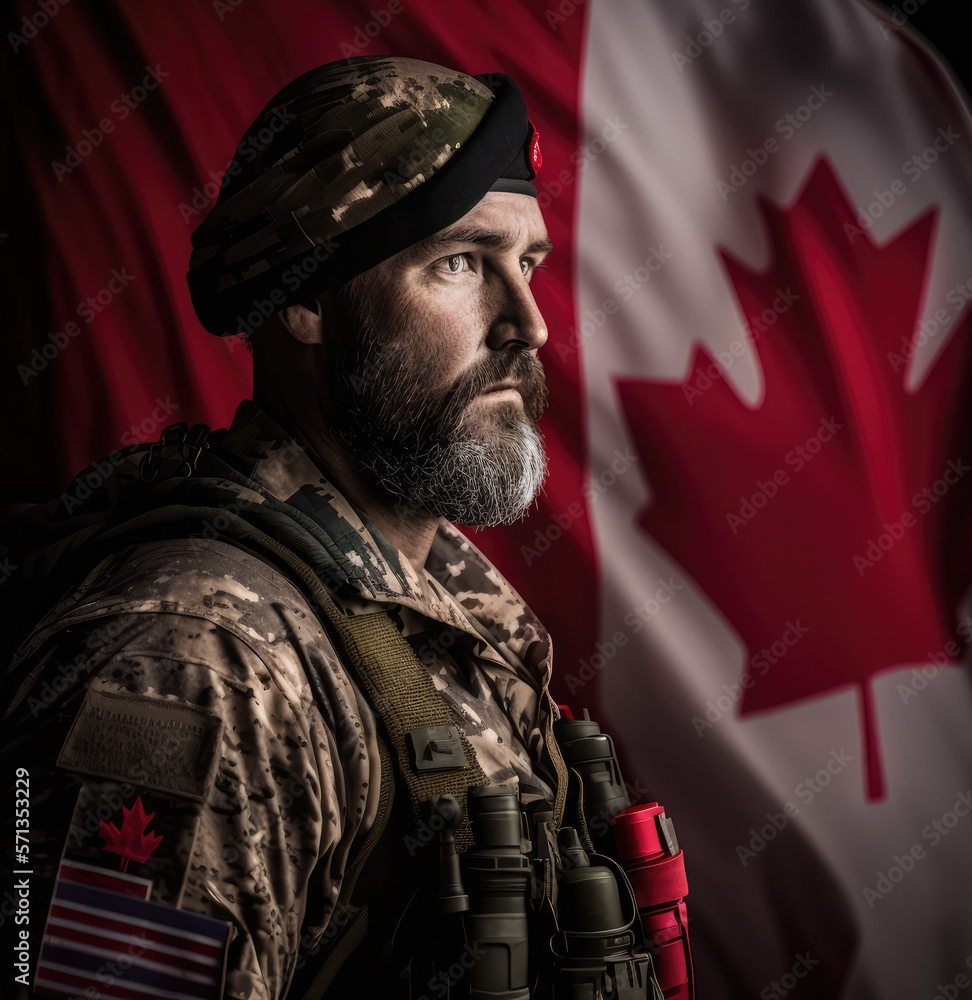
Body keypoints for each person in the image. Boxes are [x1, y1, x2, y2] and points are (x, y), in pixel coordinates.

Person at [2, 55, 571, 999]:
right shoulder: (198, 664)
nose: (527, 324)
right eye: (461, 263)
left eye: (530, 262)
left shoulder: (447, 611)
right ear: (306, 298)